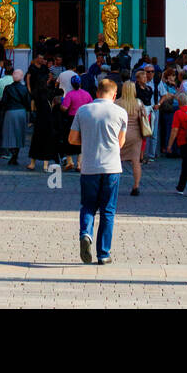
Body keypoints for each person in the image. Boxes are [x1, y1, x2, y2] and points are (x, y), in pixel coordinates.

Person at [68, 77, 127, 265]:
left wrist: (87, 142)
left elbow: (71, 139)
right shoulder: (120, 112)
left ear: (96, 92)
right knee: (108, 210)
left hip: (89, 167)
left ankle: (85, 233)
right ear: (115, 94)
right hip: (111, 167)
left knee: (88, 206)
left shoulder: (83, 111)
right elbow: (120, 142)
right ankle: (103, 253)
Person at [116, 78, 146, 195]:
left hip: (120, 135)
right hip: (135, 135)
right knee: (135, 162)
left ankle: (114, 185)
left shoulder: (117, 103)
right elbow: (143, 119)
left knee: (116, 161)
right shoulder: (138, 103)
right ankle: (136, 186)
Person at [60, 75, 92, 170]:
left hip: (72, 119)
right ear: (80, 83)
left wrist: (60, 106)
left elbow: (64, 108)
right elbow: (91, 106)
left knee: (69, 139)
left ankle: (70, 162)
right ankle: (79, 164)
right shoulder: (87, 94)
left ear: (72, 84)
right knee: (82, 140)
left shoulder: (70, 94)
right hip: (84, 119)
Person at [0, 69, 32, 165]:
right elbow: (28, 103)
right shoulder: (24, 88)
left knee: (9, 133)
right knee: (19, 134)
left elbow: (4, 102)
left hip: (10, 111)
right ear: (22, 77)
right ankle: (15, 155)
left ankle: (12, 153)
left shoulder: (8, 88)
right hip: (21, 112)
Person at [28, 79, 60, 171]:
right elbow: (54, 105)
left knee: (36, 140)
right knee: (47, 141)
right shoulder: (50, 93)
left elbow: (32, 108)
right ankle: (45, 165)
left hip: (39, 119)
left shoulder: (35, 94)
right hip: (49, 119)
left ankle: (32, 163)